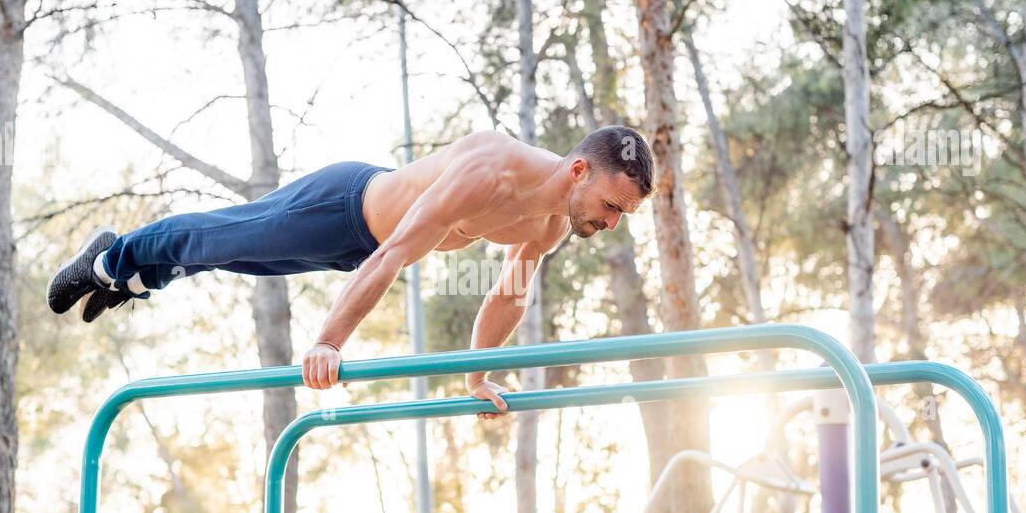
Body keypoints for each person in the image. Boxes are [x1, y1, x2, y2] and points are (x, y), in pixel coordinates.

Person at [48, 125, 654, 409]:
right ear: (579, 172)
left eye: (622, 215)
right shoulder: (491, 170)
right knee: (220, 242)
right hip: (341, 209)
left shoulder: (548, 226)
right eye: (610, 206)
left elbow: (507, 297)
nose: (611, 222)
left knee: (228, 260)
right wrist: (327, 343)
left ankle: (121, 277)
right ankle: (110, 257)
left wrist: (477, 377)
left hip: (355, 253)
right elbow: (396, 254)